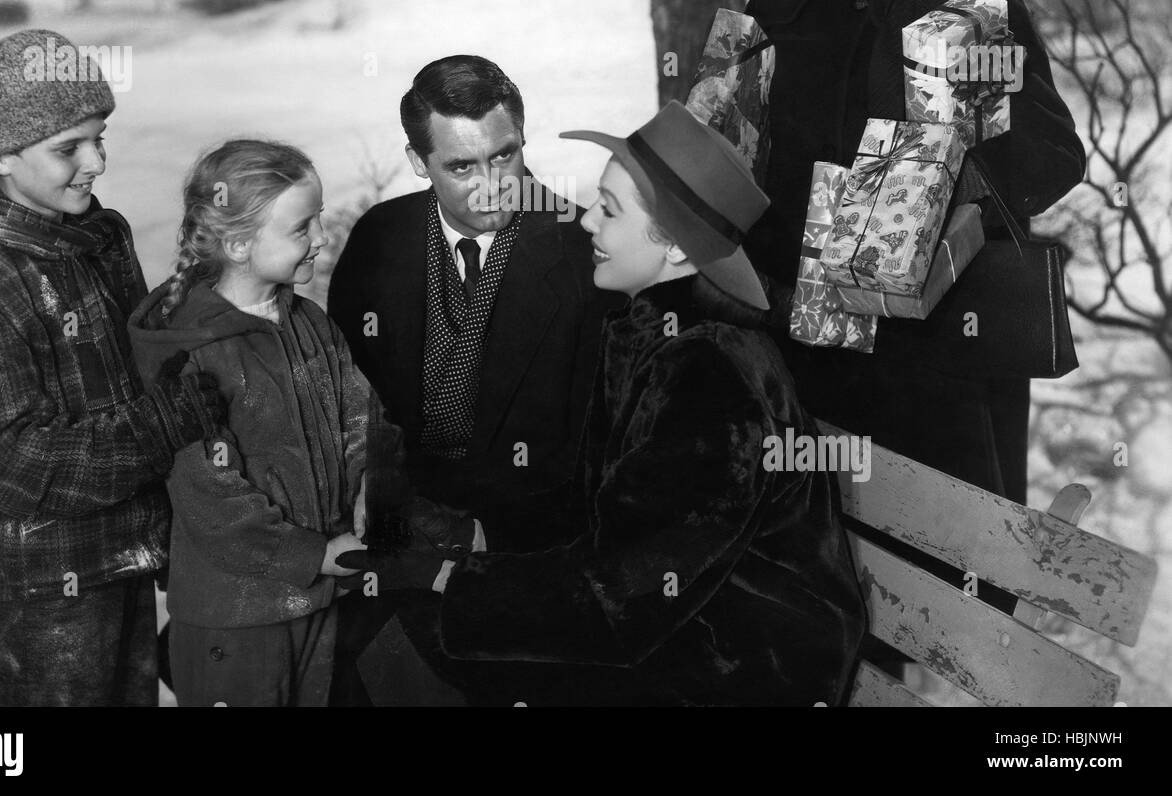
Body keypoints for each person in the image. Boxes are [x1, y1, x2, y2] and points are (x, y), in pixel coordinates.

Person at [337, 102, 868, 707]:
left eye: (609, 210)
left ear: (674, 247)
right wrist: (473, 532)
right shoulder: (649, 335)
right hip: (674, 633)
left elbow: (626, 595)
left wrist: (445, 580)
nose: (586, 221)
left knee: (411, 646)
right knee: (397, 640)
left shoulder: (712, 373)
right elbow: (600, 512)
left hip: (737, 668)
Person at [738, 0, 1085, 503]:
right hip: (800, 322)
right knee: (827, 541)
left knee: (941, 551)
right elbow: (749, 128)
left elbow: (1048, 156)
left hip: (932, 336)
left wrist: (965, 120)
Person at [0, 29, 226, 707]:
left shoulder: (97, 238)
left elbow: (135, 368)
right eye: (68, 149)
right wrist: (162, 425)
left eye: (99, 137)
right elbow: (16, 464)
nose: (96, 163)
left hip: (124, 557)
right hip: (44, 590)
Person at [326, 54, 619, 704]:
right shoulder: (379, 239)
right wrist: (392, 522)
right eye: (461, 167)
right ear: (416, 160)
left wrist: (479, 548)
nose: (492, 185)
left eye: (504, 156)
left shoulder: (583, 254)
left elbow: (602, 460)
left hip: (524, 564)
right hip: (397, 541)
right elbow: (350, 405)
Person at [128, 139, 385, 706]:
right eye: (301, 227)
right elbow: (210, 497)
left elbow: (358, 415)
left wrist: (370, 483)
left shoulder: (309, 321)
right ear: (239, 244)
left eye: (319, 218)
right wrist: (307, 555)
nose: (321, 237)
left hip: (321, 598)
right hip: (235, 619)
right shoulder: (189, 353)